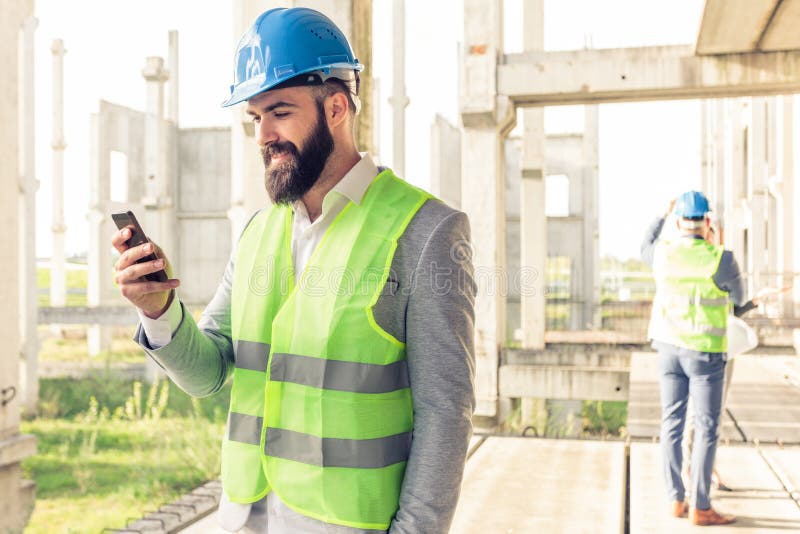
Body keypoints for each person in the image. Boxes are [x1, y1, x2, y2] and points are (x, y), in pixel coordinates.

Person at [112, 7, 476, 533]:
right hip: (244, 520)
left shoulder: (426, 233)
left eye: (280, 112)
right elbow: (208, 374)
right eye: (255, 117)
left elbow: (446, 414)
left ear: (335, 107)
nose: (264, 135)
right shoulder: (259, 232)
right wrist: (159, 310)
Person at [641, 191, 742, 526]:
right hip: (706, 355)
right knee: (707, 428)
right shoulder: (721, 258)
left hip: (668, 349)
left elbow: (646, 243)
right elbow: (738, 301)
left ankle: (675, 500)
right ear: (707, 222)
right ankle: (700, 505)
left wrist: (660, 214)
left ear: (679, 222)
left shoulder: (663, 255)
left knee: (671, 424)